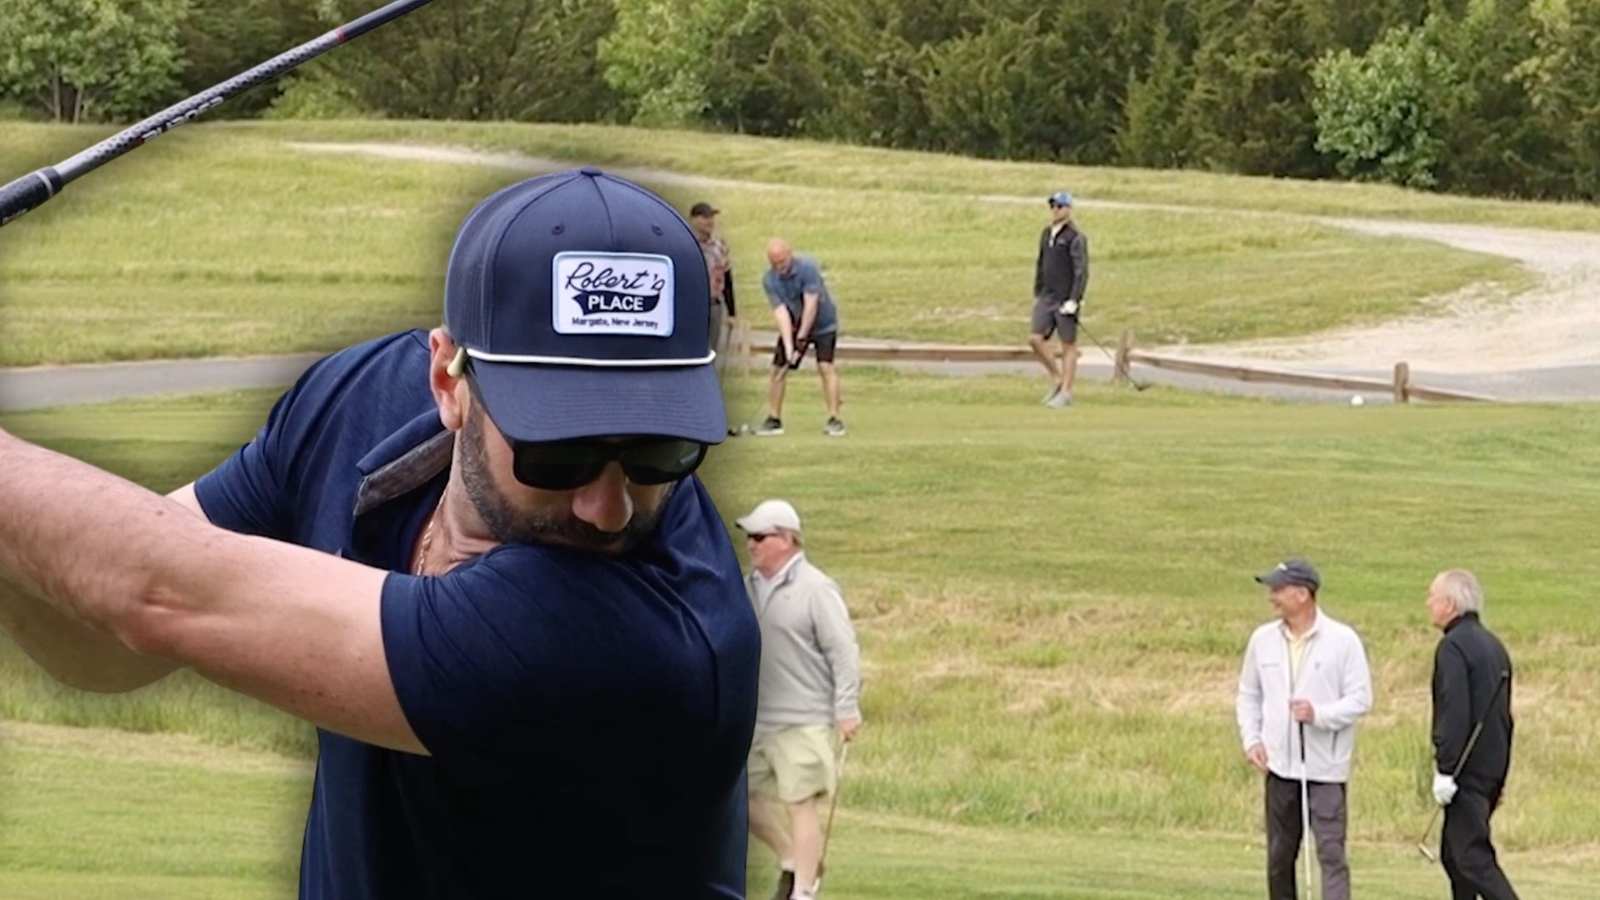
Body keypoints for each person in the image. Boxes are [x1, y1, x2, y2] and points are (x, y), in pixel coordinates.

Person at [0, 168, 762, 898]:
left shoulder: (652, 648)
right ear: (448, 385)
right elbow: (103, 640)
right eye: (559, 451)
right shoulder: (357, 404)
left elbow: (156, 595)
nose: (610, 506)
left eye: (663, 452)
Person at [735, 499, 862, 900]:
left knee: (799, 803)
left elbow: (843, 652)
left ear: (787, 540)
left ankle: (804, 892)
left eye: (760, 537)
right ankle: (791, 857)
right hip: (755, 717)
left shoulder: (816, 589)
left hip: (804, 717)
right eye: (749, 537)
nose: (751, 545)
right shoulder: (747, 586)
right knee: (738, 798)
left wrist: (847, 707)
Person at [1235, 558, 1373, 900]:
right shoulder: (1262, 640)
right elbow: (1248, 694)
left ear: (1302, 594)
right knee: (1280, 856)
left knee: (1330, 854)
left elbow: (1361, 699)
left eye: (1278, 589)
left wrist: (1319, 714)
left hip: (1325, 769)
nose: (1272, 596)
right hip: (1280, 766)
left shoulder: (1343, 640)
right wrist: (1252, 738)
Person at [1425, 569, 1520, 900]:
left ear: (1449, 604)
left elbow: (1454, 712)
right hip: (1489, 770)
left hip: (1466, 771)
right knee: (1454, 855)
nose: (1428, 604)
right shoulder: (1494, 646)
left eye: (1432, 597)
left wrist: (1446, 769)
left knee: (1471, 857)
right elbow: (1505, 719)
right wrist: (1500, 777)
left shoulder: (1453, 648)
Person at [758, 239, 845, 437]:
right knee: (777, 369)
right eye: (775, 263)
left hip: (823, 323)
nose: (780, 266)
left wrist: (802, 339)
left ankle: (834, 418)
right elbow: (780, 312)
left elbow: (811, 303)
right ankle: (774, 418)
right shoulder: (770, 279)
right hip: (795, 323)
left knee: (825, 367)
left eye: (782, 261)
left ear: (790, 254)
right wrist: (790, 346)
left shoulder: (807, 268)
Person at [1030, 190, 1088, 409]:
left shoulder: (1075, 237)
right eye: (1053, 206)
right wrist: (1037, 292)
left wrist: (1075, 299)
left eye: (1060, 206)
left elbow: (1081, 271)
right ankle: (1057, 377)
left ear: (1069, 209)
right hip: (1047, 296)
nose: (1055, 210)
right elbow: (1041, 263)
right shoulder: (1047, 234)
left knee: (1068, 345)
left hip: (1065, 299)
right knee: (1035, 339)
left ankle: (1066, 392)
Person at [688, 200, 738, 376]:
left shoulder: (719, 245)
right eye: (704, 217)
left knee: (712, 352)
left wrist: (732, 313)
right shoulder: (687, 243)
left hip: (714, 303)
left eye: (711, 217)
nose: (709, 222)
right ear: (694, 220)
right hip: (691, 304)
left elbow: (727, 277)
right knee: (692, 348)